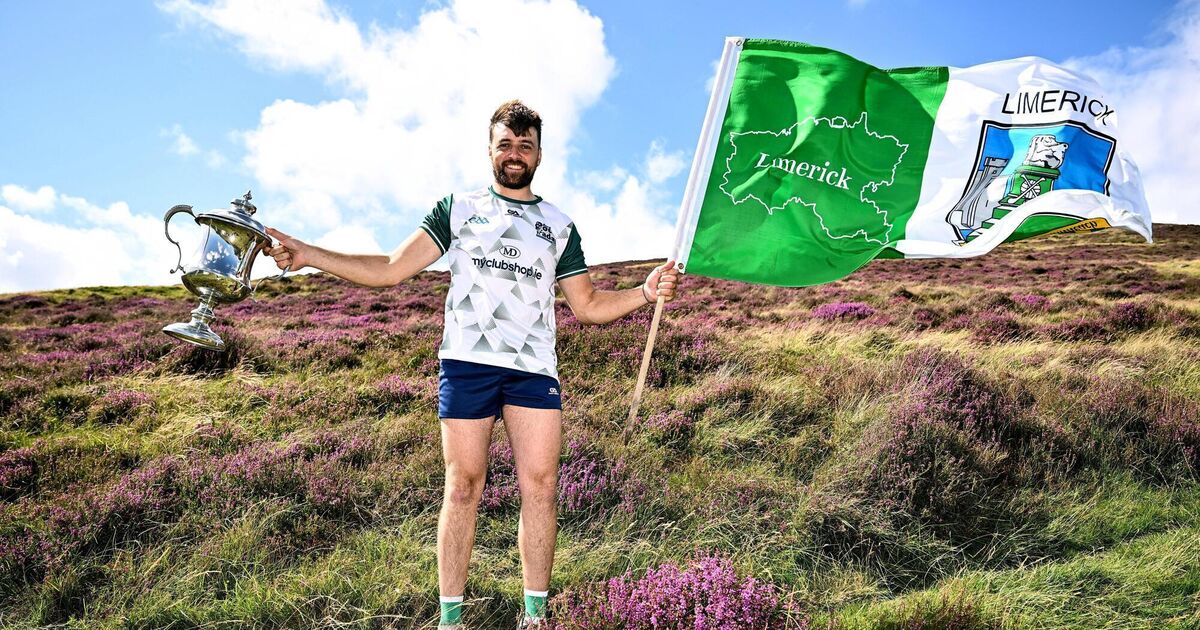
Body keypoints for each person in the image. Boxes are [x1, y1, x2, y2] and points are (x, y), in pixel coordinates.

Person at [264, 100, 680, 629]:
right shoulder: (456, 209)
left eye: (524, 145)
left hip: (533, 370)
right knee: (463, 485)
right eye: (505, 143)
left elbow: (588, 305)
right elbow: (391, 269)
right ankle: (450, 620)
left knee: (542, 484)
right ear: (489, 148)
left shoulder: (560, 226)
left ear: (540, 155)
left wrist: (643, 292)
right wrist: (309, 255)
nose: (514, 154)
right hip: (467, 364)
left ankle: (534, 617)